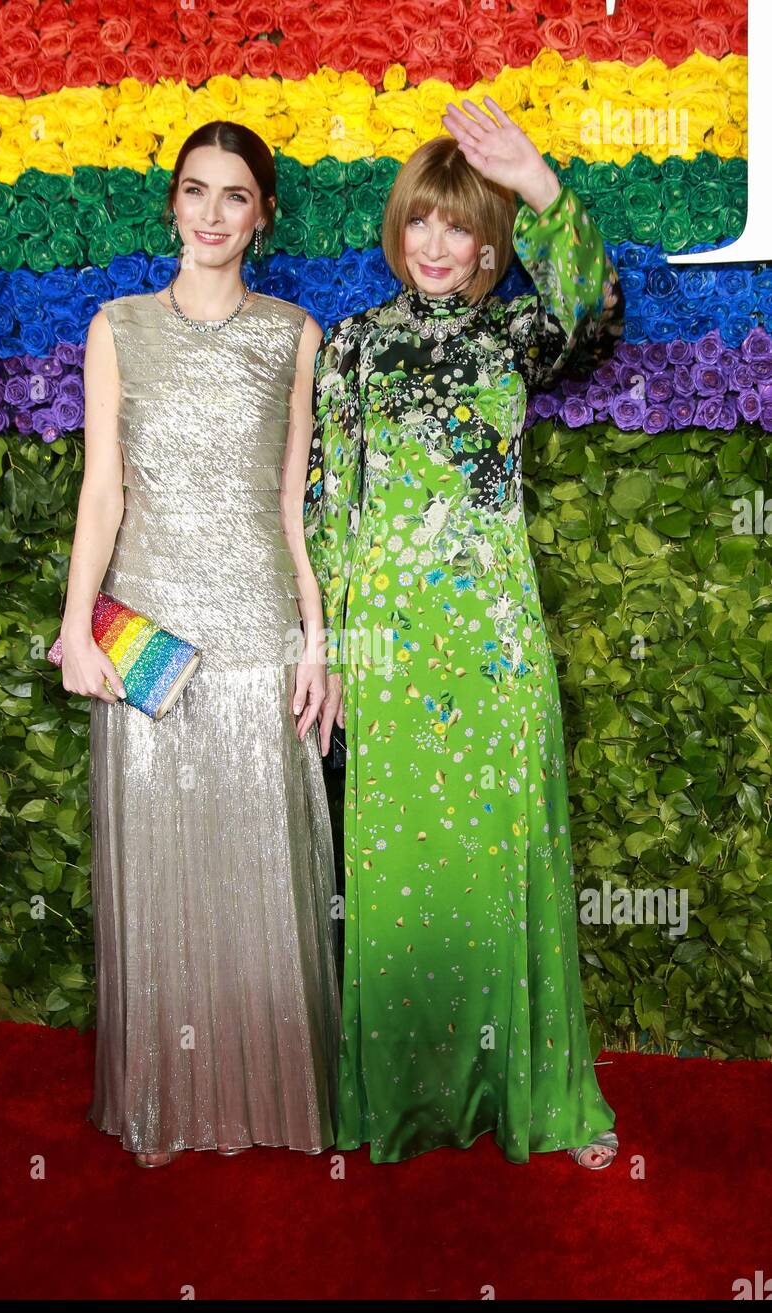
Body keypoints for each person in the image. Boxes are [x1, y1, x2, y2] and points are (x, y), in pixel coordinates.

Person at [303, 97, 625, 1169]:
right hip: (389, 645)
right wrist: (333, 648)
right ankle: (401, 1105)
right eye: (420, 224)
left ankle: (538, 1098)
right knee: (397, 880)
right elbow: (325, 505)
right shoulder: (350, 347)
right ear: (398, 230)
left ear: (487, 243)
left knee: (503, 865)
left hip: (495, 639)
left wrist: (536, 183)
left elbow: (593, 311)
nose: (436, 246)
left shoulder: (512, 334)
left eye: (459, 226)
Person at [60, 120, 340, 1168]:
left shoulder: (295, 336)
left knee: (262, 859)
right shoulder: (117, 326)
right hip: (145, 626)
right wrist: (72, 623)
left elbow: (292, 507)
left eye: (235, 196)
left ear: (263, 214)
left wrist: (318, 642)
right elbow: (101, 490)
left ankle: (268, 1095)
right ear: (170, 205)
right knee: (163, 859)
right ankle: (165, 1100)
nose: (213, 214)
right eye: (195, 192)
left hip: (258, 623)